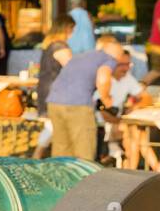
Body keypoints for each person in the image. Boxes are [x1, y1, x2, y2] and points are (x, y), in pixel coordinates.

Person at [46, 35, 129, 160]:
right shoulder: (108, 58)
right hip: (78, 105)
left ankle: (59, 178)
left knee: (61, 148)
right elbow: (103, 78)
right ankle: (84, 178)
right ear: (118, 55)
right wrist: (107, 100)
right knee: (84, 150)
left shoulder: (82, 56)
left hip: (54, 102)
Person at [32, 20, 75, 158]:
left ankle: (39, 156)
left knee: (52, 126)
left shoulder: (50, 45)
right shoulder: (59, 46)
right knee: (54, 126)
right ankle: (38, 156)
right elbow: (72, 68)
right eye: (72, 29)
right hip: (55, 92)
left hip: (47, 89)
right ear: (66, 29)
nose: (73, 33)